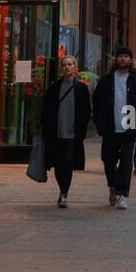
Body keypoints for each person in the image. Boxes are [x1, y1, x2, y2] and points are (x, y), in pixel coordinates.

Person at [91, 46, 136, 210]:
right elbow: (96, 102)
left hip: (129, 126)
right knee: (108, 161)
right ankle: (113, 186)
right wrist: (99, 122)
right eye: (120, 56)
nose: (123, 59)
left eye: (126, 56)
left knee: (126, 162)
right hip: (110, 126)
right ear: (116, 59)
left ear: (131, 60)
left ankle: (123, 194)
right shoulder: (107, 80)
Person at [42, 56, 90, 208]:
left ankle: (64, 193)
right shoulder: (54, 87)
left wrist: (81, 131)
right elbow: (46, 110)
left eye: (70, 64)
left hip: (72, 134)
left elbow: (86, 112)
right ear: (61, 68)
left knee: (67, 162)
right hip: (55, 133)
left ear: (75, 67)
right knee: (57, 164)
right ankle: (62, 190)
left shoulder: (81, 89)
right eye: (64, 65)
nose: (67, 67)